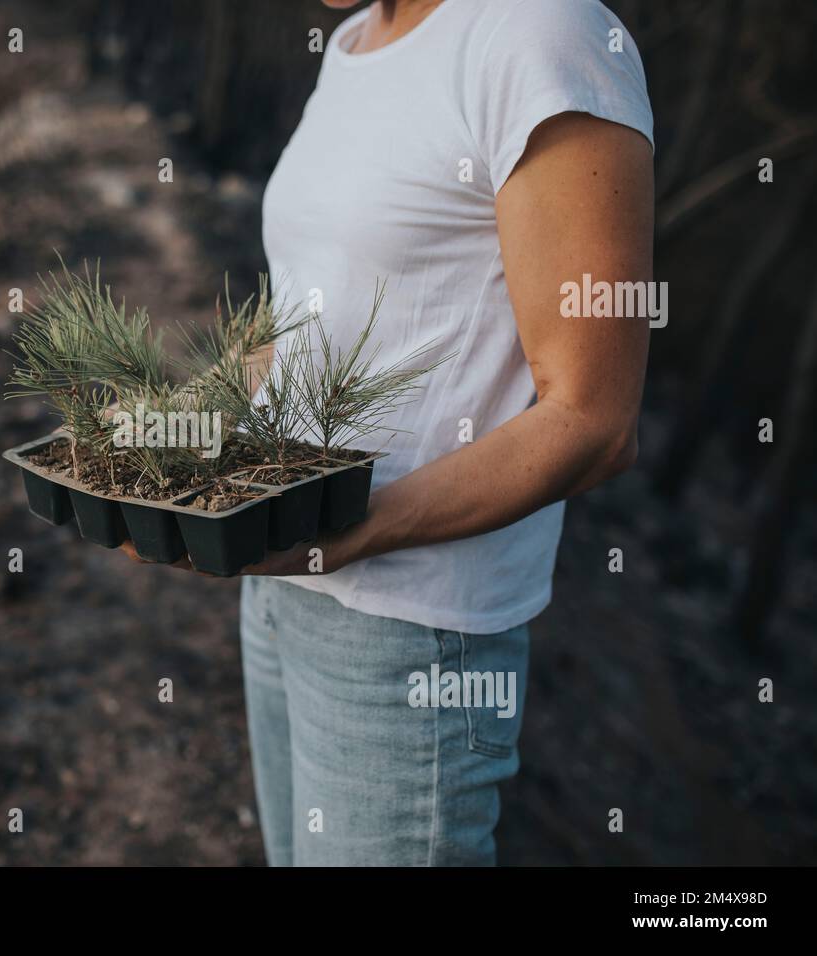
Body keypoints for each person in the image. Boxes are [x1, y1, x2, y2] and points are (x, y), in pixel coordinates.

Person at [122, 0, 654, 865]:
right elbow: (303, 313)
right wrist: (181, 426)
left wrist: (345, 534)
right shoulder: (355, 42)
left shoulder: (542, 35)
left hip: (412, 636)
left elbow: (593, 421)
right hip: (281, 588)